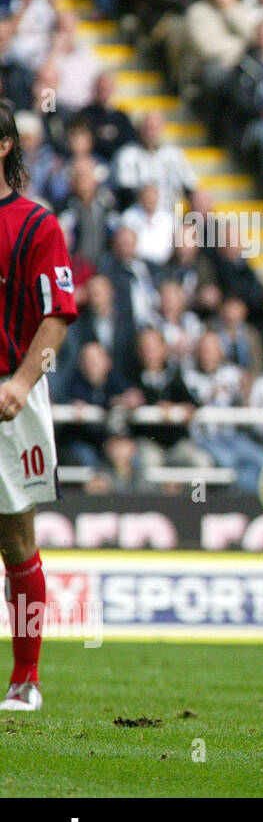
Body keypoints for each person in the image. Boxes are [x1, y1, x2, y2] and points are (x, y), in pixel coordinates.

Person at [0, 102, 80, 711]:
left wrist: (24, 381)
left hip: (9, 393)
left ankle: (26, 680)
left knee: (15, 536)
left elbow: (57, 316)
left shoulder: (35, 224)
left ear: (5, 146)